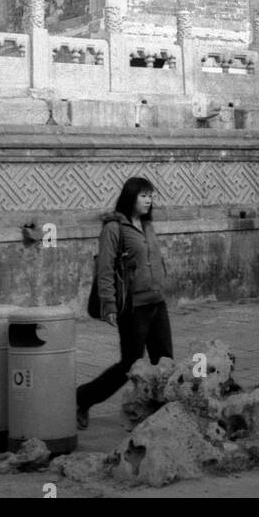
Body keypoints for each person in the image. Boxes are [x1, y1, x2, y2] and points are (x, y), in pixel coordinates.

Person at [76, 176, 173, 429]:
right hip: (132, 307)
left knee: (165, 361)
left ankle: (160, 413)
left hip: (156, 303)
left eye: (150, 195)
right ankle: (83, 398)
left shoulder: (148, 225)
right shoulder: (114, 228)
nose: (148, 200)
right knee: (129, 365)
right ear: (130, 197)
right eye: (143, 195)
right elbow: (105, 269)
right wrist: (108, 304)